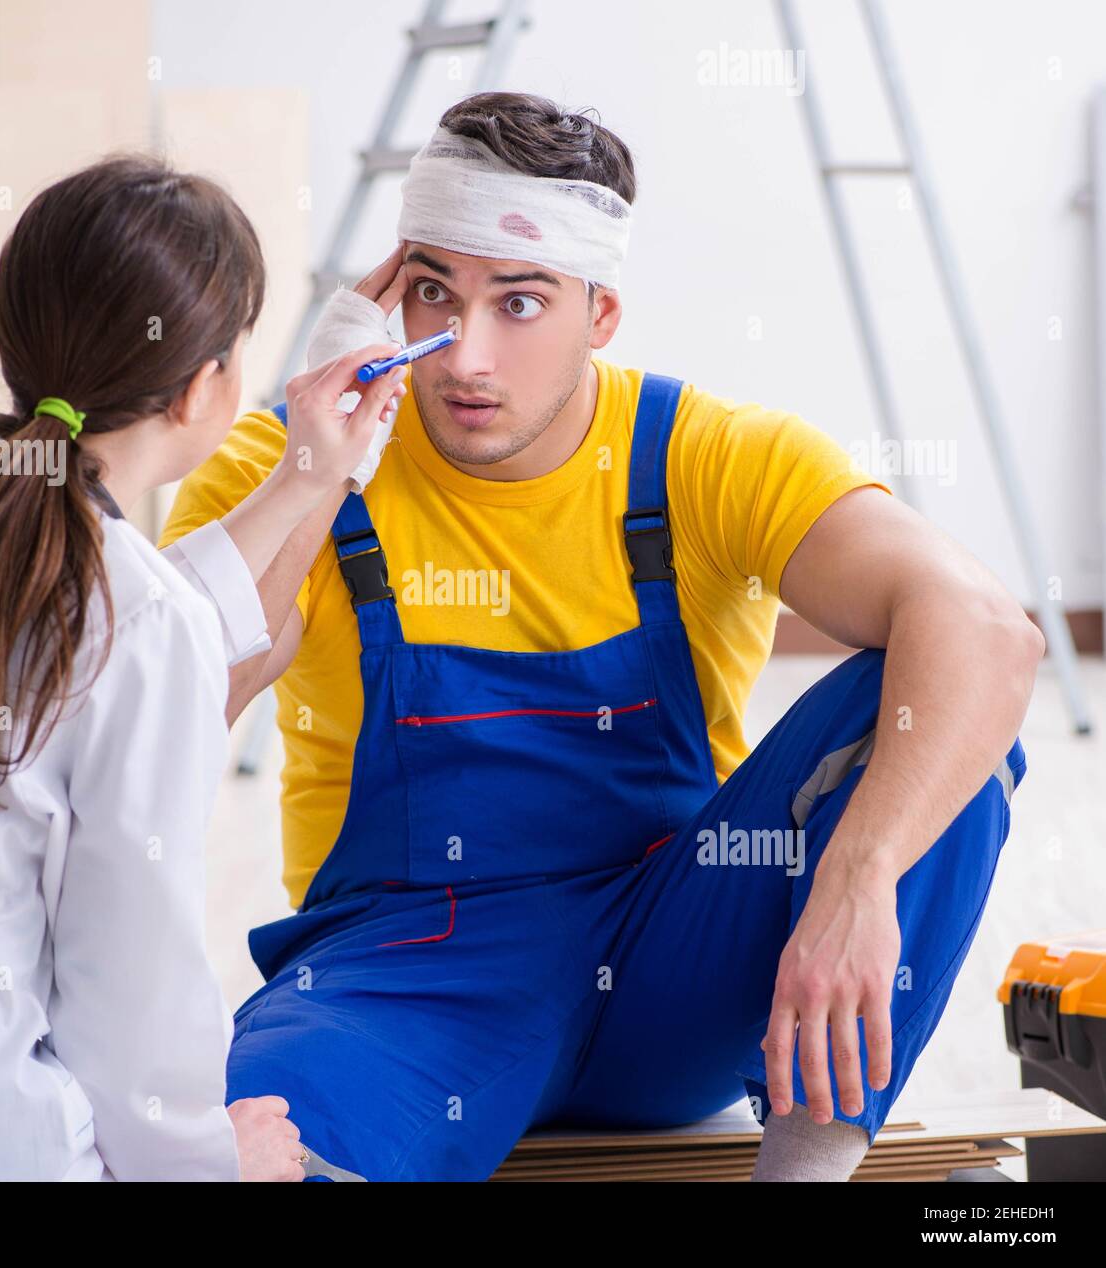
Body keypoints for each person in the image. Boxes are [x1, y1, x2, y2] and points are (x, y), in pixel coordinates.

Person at [160, 93, 1041, 1182]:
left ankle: (804, 1172)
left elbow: (991, 631)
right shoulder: (286, 461)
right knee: (257, 1154)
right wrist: (315, 474)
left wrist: (856, 879)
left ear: (601, 312)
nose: (463, 357)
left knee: (914, 705)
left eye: (518, 303)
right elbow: (176, 709)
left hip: (674, 961)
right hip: (402, 979)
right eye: (432, 291)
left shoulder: (697, 453)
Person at [0, 154, 405, 1181]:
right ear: (207, 384)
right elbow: (135, 1004)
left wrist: (308, 472)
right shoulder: (134, 616)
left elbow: (97, 630)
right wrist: (221, 1155)